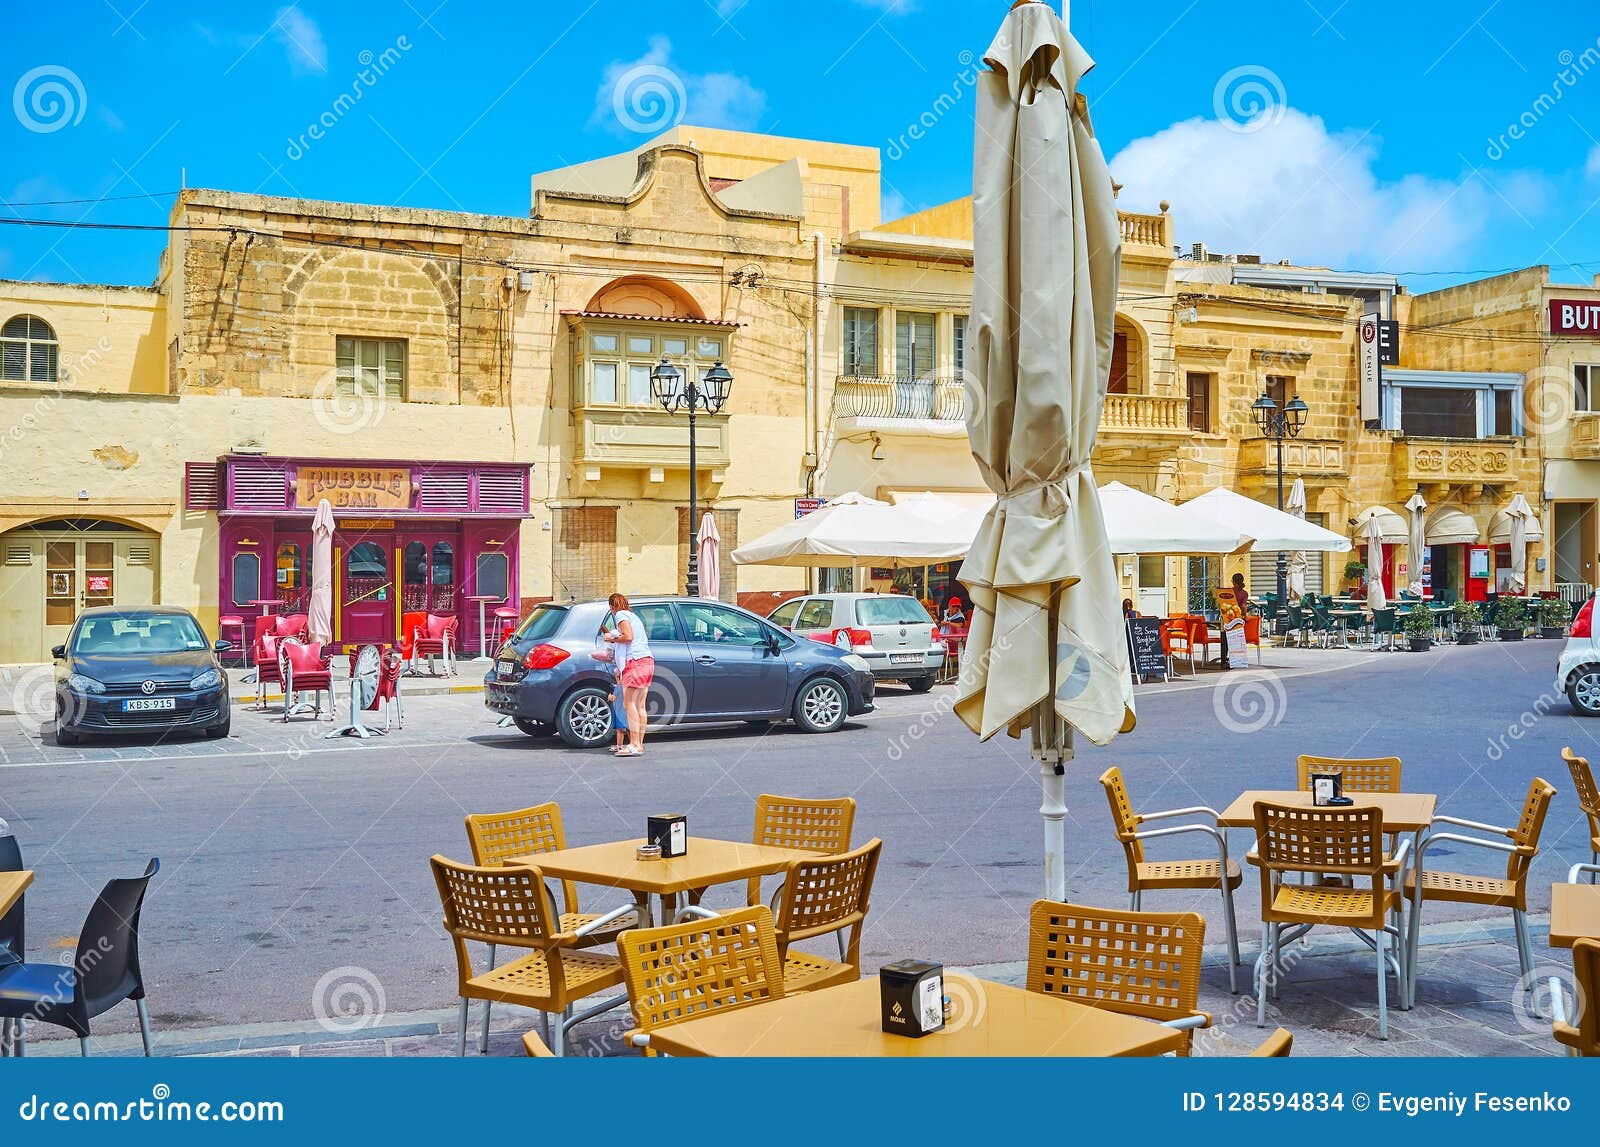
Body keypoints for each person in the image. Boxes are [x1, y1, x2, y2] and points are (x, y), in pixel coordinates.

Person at [602, 592, 653, 757]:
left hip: (635, 662)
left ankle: (633, 744)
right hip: (647, 660)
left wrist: (611, 638)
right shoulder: (633, 616)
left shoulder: (620, 615)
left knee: (628, 704)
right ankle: (639, 745)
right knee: (640, 706)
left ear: (612, 607)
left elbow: (628, 637)